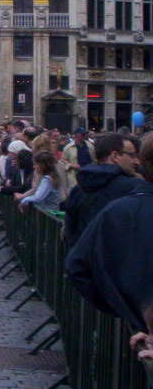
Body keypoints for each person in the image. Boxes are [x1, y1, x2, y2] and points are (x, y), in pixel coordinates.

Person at [66, 132, 153, 384]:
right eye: (130, 155)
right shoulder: (128, 197)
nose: (134, 161)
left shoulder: (118, 206)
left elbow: (77, 265)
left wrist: (124, 311)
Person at [63, 132, 150, 248]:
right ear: (115, 156)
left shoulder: (78, 190)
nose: (136, 161)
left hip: (85, 258)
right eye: (132, 155)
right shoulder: (135, 187)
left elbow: (70, 231)